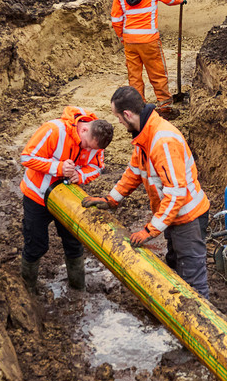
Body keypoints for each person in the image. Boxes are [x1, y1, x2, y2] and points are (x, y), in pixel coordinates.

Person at [81, 86, 211, 297]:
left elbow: (176, 193)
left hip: (188, 219)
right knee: (175, 265)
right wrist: (111, 199)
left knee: (193, 282)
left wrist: (150, 230)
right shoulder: (144, 137)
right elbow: (133, 173)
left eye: (119, 118)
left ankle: (205, 326)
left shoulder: (162, 142)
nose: (120, 123)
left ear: (127, 114)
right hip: (173, 218)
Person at [19, 106, 114, 293]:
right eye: (87, 145)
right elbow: (26, 157)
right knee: (35, 244)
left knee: (73, 242)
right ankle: (27, 290)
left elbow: (96, 167)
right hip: (37, 197)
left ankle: (78, 289)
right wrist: (58, 168)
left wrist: (80, 176)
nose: (88, 149)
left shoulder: (97, 141)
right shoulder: (54, 130)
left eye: (92, 148)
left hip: (67, 197)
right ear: (84, 129)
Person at [111, 0, 185, 115]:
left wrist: (123, 37)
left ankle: (137, 110)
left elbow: (116, 20)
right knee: (157, 73)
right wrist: (182, 0)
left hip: (130, 42)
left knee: (134, 77)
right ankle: (164, 107)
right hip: (150, 40)